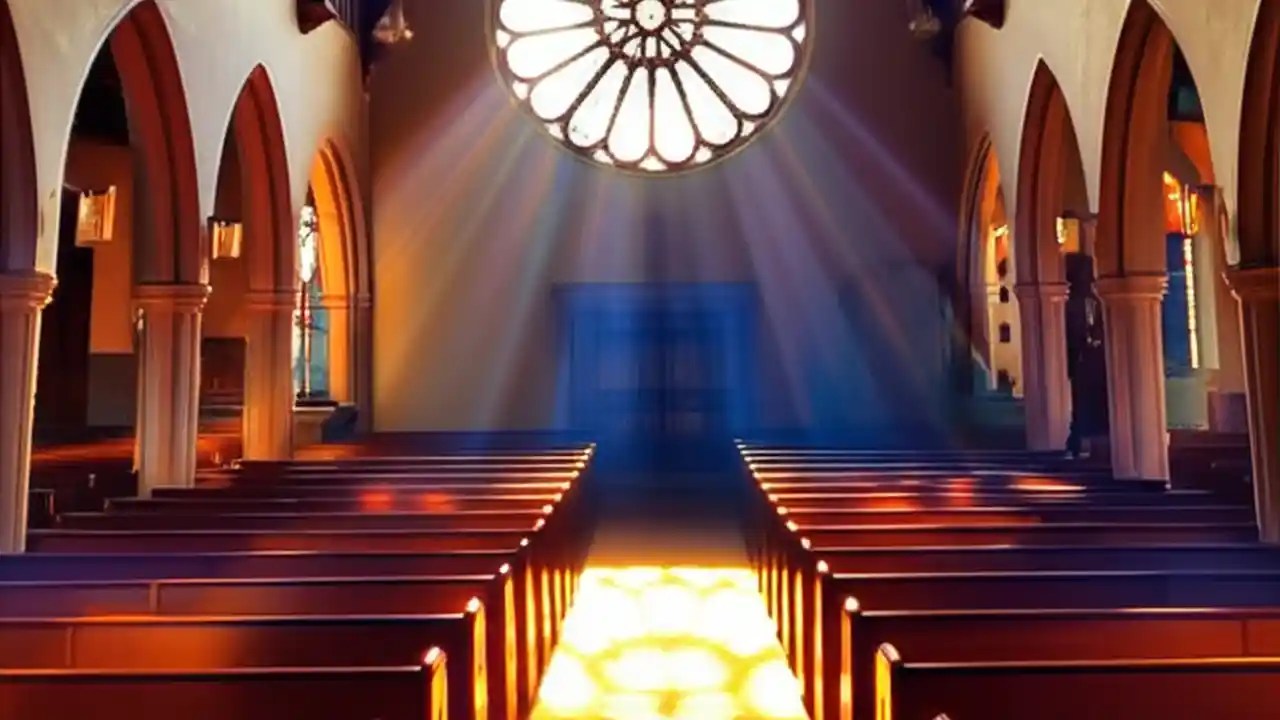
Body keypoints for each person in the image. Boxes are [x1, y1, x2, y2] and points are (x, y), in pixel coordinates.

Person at [1064, 253, 1109, 458]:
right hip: (1079, 362)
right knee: (1080, 405)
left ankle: (1094, 443)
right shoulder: (1068, 304)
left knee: (1092, 406)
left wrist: (1095, 340)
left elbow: (1100, 327)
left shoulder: (1095, 302)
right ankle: (1078, 441)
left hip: (1094, 364)